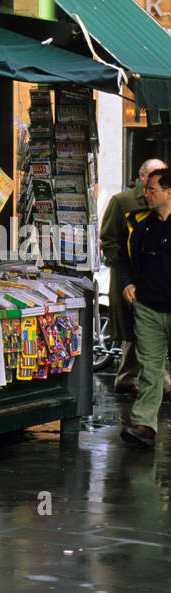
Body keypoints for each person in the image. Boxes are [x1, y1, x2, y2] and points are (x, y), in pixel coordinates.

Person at [100, 157, 168, 395]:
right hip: (129, 277)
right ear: (143, 178)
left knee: (142, 331)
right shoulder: (123, 202)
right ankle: (155, 382)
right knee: (137, 328)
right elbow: (108, 237)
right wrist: (121, 266)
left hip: (155, 279)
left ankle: (130, 378)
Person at [119, 166, 171, 448]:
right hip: (148, 309)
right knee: (150, 370)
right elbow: (124, 258)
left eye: (152, 189)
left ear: (169, 192)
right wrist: (127, 282)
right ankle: (144, 426)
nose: (146, 194)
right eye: (146, 189)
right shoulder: (142, 225)